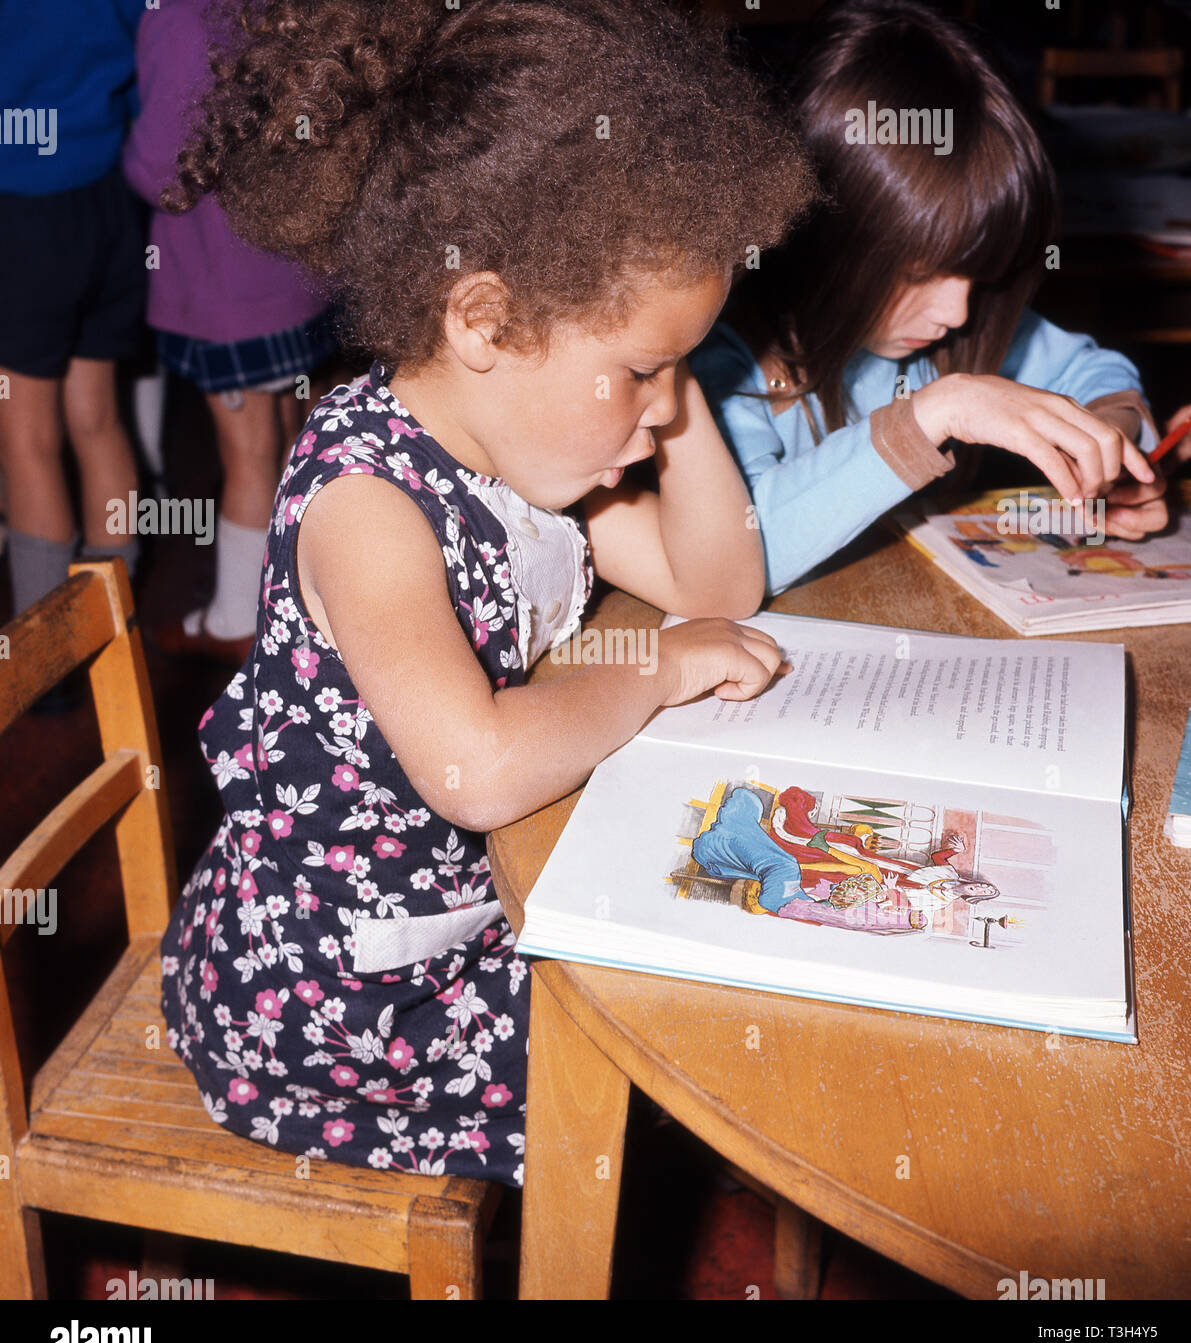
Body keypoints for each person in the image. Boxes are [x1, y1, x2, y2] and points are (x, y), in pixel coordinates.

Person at [158, 0, 813, 1184]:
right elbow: (473, 770)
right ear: (484, 321)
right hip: (338, 991)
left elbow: (717, 586)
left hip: (454, 917)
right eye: (636, 372)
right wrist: (657, 669)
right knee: (666, 1064)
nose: (658, 408)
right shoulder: (368, 502)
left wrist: (671, 381)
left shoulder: (521, 444)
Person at [689, 0, 1188, 597]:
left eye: (978, 275)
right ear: (820, 235)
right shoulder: (722, 355)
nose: (956, 313)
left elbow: (1095, 369)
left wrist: (1110, 439)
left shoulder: (952, 326)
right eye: (921, 273)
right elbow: (738, 552)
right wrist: (935, 411)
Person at [124, 0, 336, 664]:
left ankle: (235, 622)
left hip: (227, 287)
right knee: (286, 439)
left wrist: (123, 149)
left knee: (247, 453)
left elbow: (158, 165)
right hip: (293, 273)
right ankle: (300, 601)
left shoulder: (179, 19)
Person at [0, 0, 145, 624]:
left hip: (26, 206)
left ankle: (49, 663)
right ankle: (115, 634)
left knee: (25, 436)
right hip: (112, 199)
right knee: (98, 416)